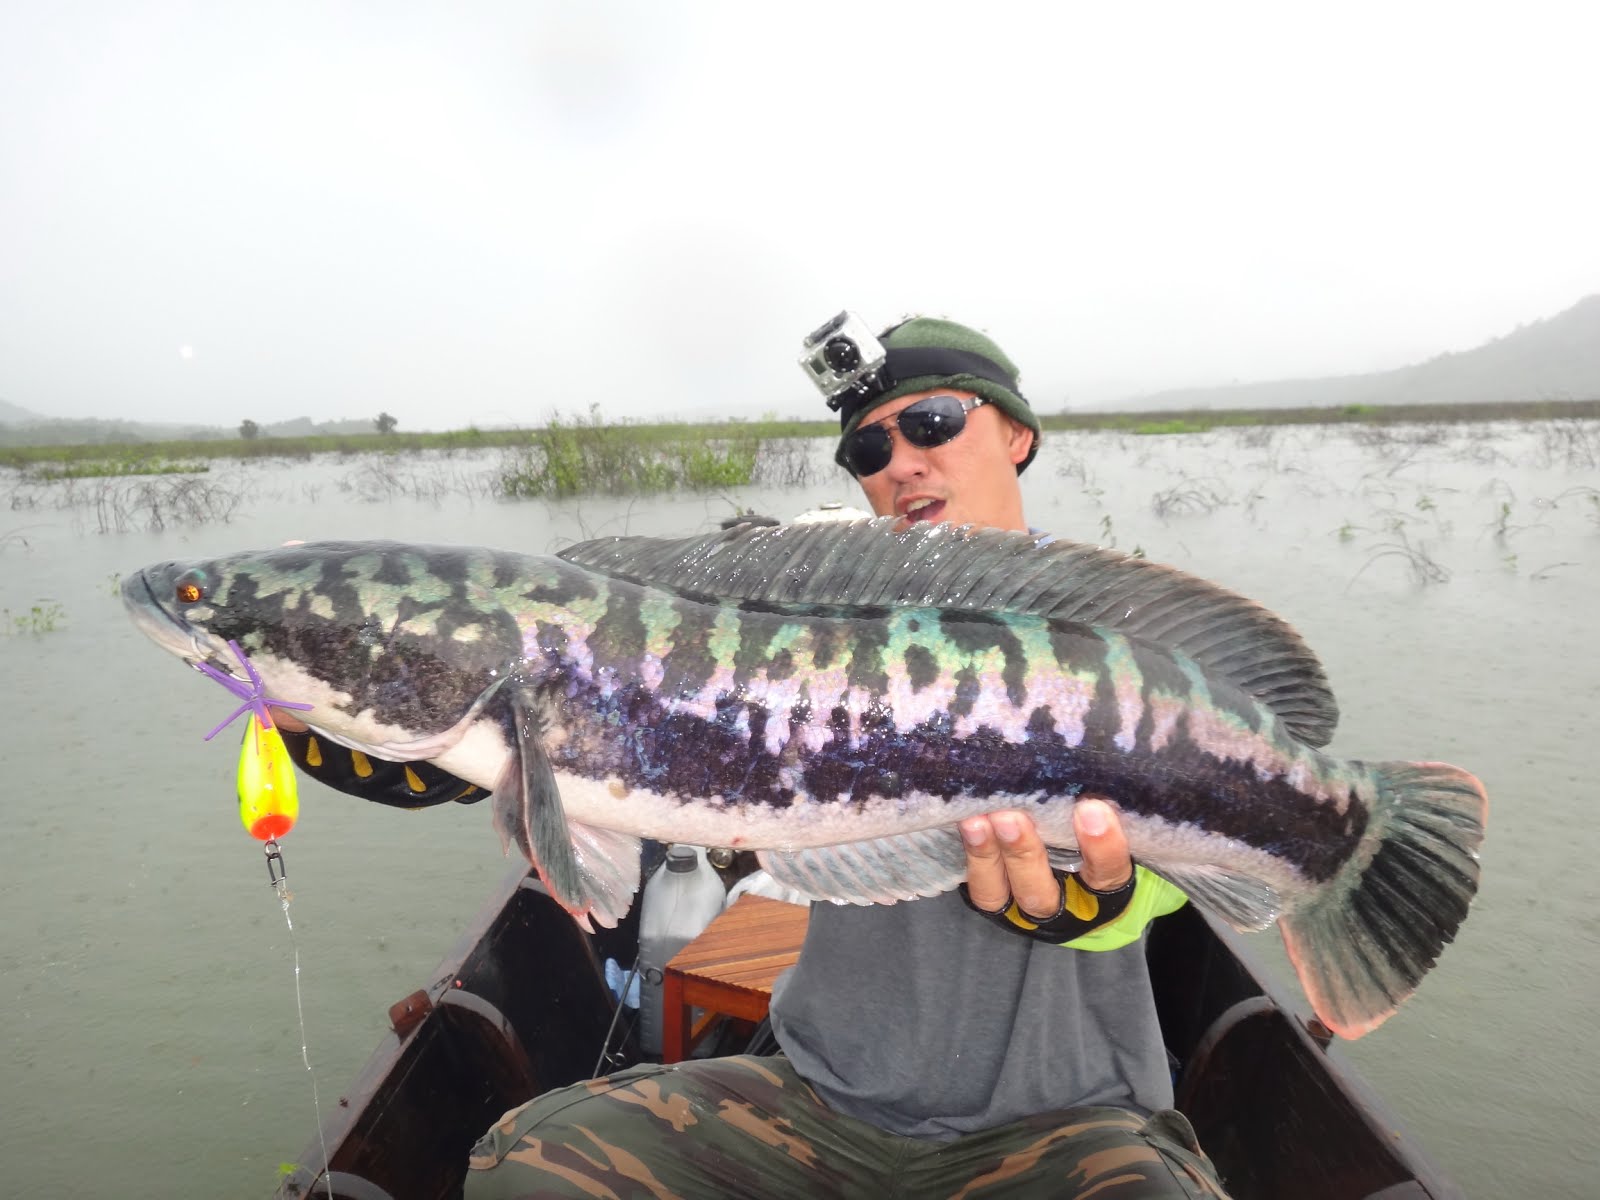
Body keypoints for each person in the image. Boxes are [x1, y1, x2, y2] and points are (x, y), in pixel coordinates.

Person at [461, 315, 1230, 1199]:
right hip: (823, 1100)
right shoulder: (806, 633)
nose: (901, 462)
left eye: (934, 423)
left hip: (1069, 1123)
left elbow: (1198, 847)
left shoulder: (1129, 641)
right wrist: (459, 748)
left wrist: (1113, 899)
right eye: (868, 448)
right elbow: (637, 697)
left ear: (1018, 434)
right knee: (528, 1172)